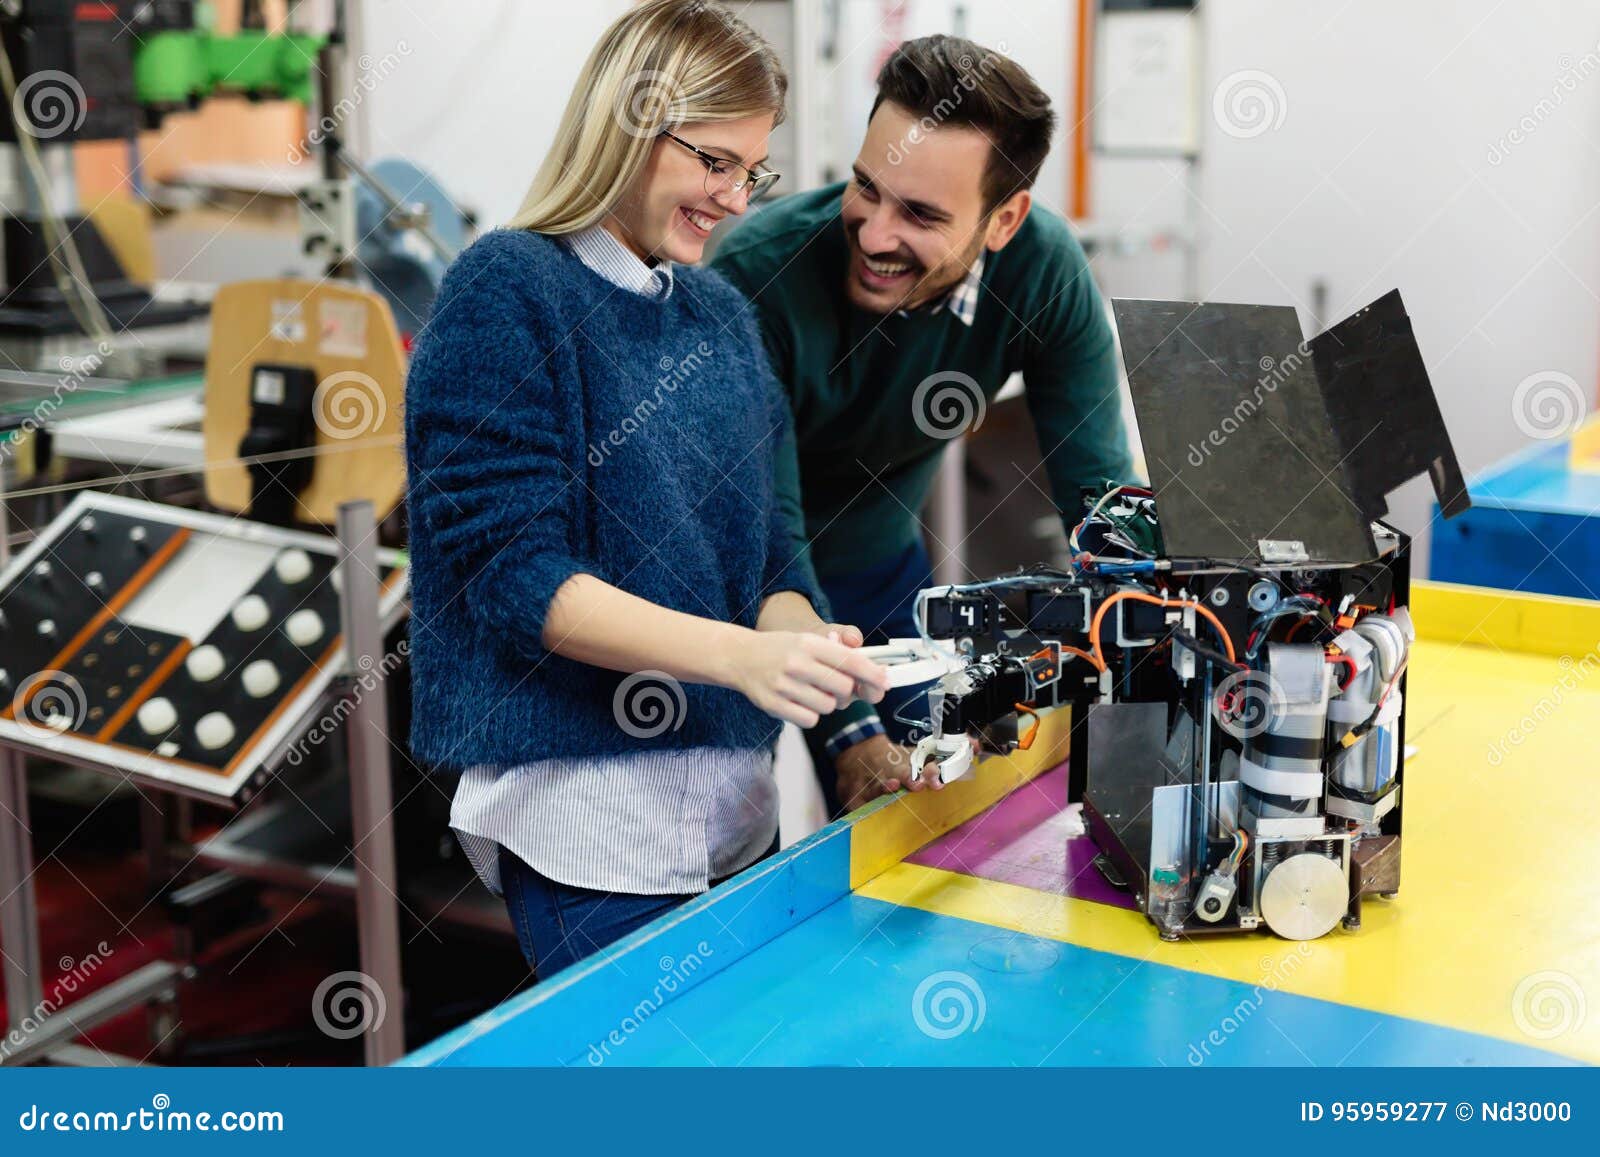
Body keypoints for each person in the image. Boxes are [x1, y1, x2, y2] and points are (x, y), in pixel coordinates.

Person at [403, 0, 888, 980]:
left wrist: (800, 645)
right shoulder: (507, 289)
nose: (736, 197)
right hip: (590, 820)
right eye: (714, 162)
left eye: (752, 170)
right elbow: (517, 579)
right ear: (627, 124)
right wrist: (738, 656)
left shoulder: (717, 314)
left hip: (735, 805)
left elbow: (771, 557)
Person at [712, 34, 1134, 816]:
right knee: (734, 848)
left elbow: (1103, 504)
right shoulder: (755, 277)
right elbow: (762, 529)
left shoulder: (1043, 273)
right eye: (865, 188)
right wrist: (849, 736)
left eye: (919, 213)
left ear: (1003, 219)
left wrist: (1140, 653)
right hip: (738, 594)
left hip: (881, 573)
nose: (874, 234)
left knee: (936, 813)